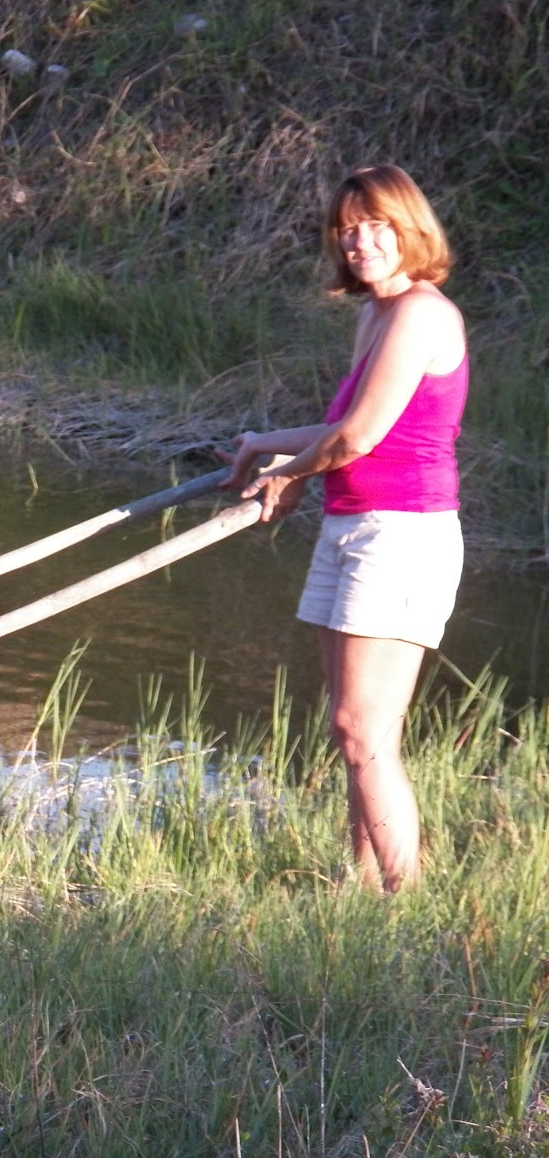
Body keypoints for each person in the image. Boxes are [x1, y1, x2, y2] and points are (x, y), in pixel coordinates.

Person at [220, 164, 467, 893]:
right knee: (349, 731)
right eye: (348, 229)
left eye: (377, 225)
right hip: (354, 527)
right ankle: (360, 894)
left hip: (403, 535)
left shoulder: (422, 312)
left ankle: (404, 902)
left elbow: (359, 437)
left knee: (367, 734)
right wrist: (265, 443)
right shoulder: (376, 313)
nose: (361, 242)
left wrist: (291, 474)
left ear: (411, 228)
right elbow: (340, 429)